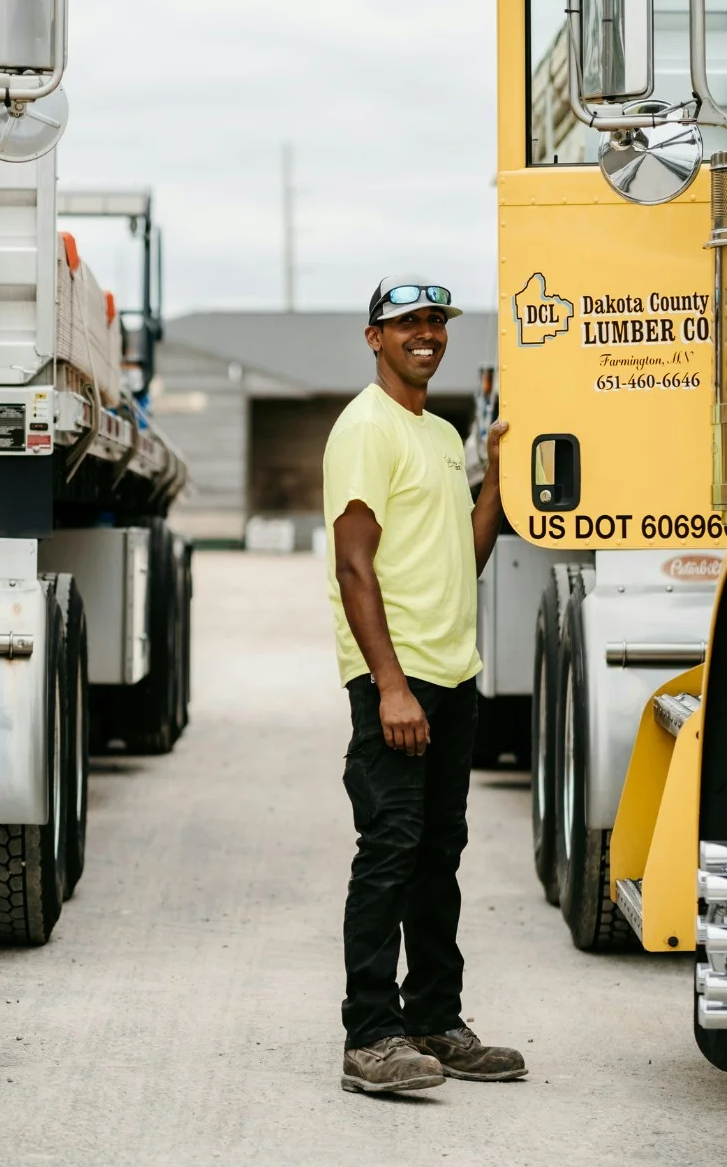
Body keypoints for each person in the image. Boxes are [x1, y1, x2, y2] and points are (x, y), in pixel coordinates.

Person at [323, 273, 527, 1096]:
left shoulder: (441, 434)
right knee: (391, 850)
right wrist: (390, 684)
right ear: (375, 337)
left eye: (436, 322)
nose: (427, 334)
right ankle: (371, 1034)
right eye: (408, 322)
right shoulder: (365, 427)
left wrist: (500, 481)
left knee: (439, 855)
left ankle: (436, 1020)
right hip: (397, 679)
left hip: (452, 674)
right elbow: (352, 562)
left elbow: (462, 554)